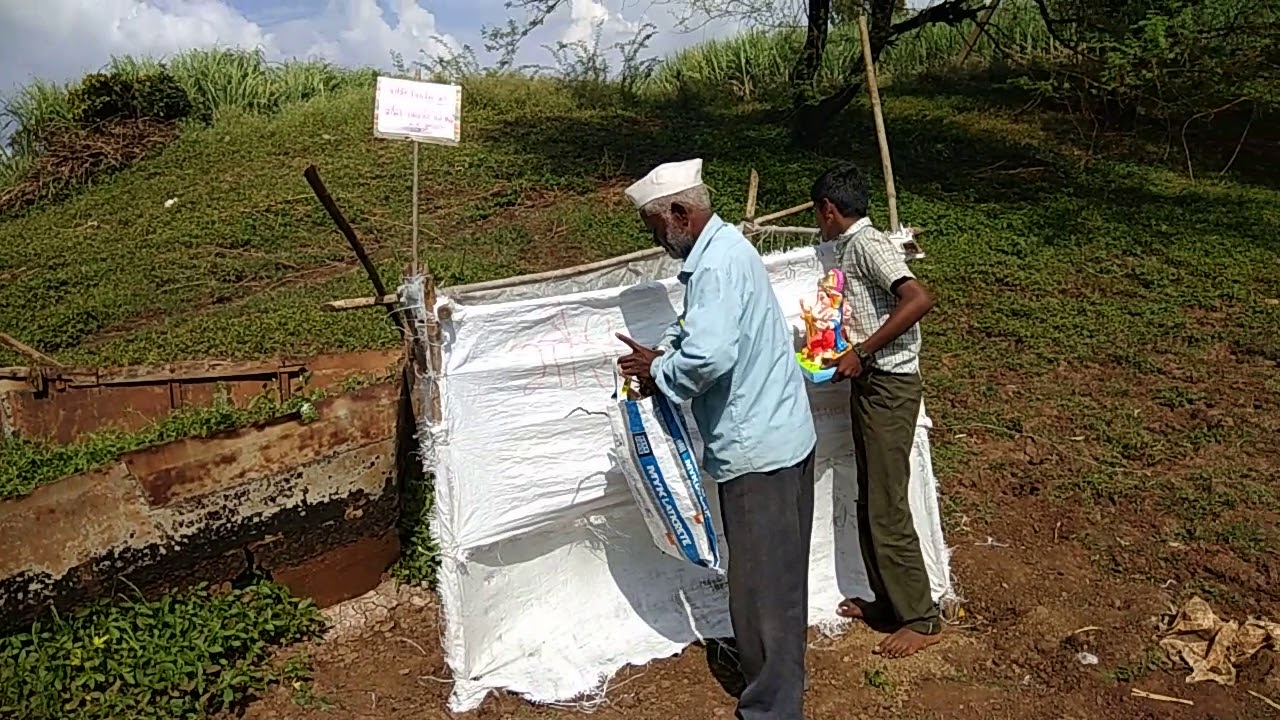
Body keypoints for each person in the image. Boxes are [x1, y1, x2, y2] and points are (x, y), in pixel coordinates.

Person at [615, 158, 818, 720]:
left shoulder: (714, 267)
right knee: (779, 579)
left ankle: (772, 708)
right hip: (782, 435)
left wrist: (660, 373)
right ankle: (780, 682)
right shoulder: (727, 250)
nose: (658, 240)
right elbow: (705, 334)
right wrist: (666, 356)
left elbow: (709, 355)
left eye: (655, 228)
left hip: (757, 451)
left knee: (759, 593)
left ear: (679, 213)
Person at [810, 161, 943, 659]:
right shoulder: (850, 247)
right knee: (872, 496)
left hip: (890, 383)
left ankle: (922, 618)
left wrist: (861, 352)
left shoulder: (867, 245)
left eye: (818, 215)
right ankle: (889, 601)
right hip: (873, 383)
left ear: (828, 209)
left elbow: (917, 297)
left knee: (887, 502)